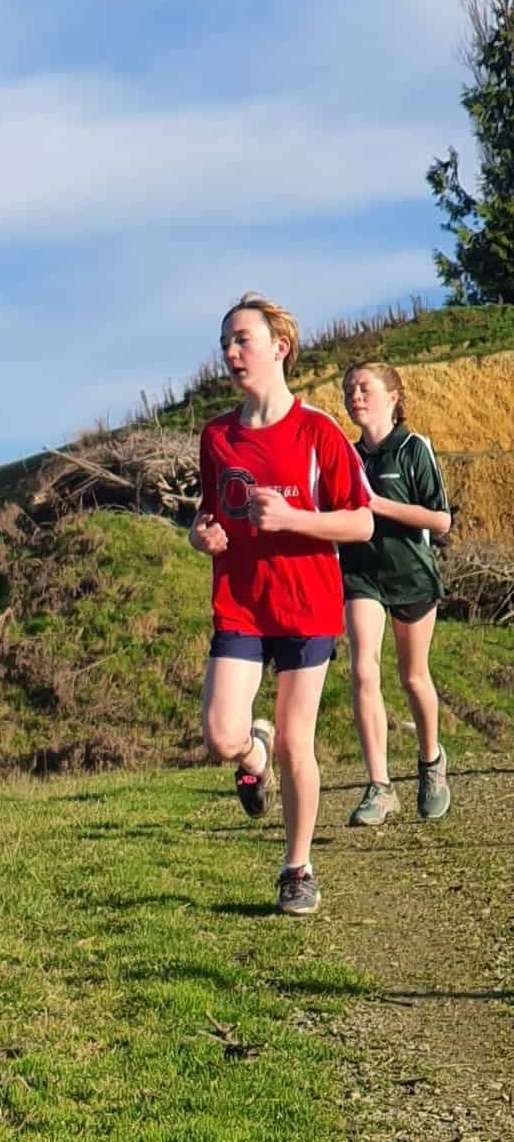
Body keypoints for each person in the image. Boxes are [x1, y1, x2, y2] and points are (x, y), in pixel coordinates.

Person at [189, 294, 373, 916]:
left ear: (280, 347)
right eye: (225, 344)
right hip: (241, 602)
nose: (232, 353)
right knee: (220, 736)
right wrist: (201, 534)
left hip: (306, 605)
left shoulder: (318, 431)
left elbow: (363, 525)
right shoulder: (217, 435)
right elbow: (210, 514)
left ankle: (297, 867)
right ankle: (250, 750)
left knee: (300, 741)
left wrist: (296, 517)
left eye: (242, 339)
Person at [339, 362, 452, 825]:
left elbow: (441, 521)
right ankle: (380, 786)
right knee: (364, 668)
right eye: (349, 390)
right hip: (361, 575)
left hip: (412, 576)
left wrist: (381, 505)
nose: (355, 396)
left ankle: (431, 764)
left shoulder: (413, 448)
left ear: (392, 396)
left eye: (364, 388)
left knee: (412, 677)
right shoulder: (344, 454)